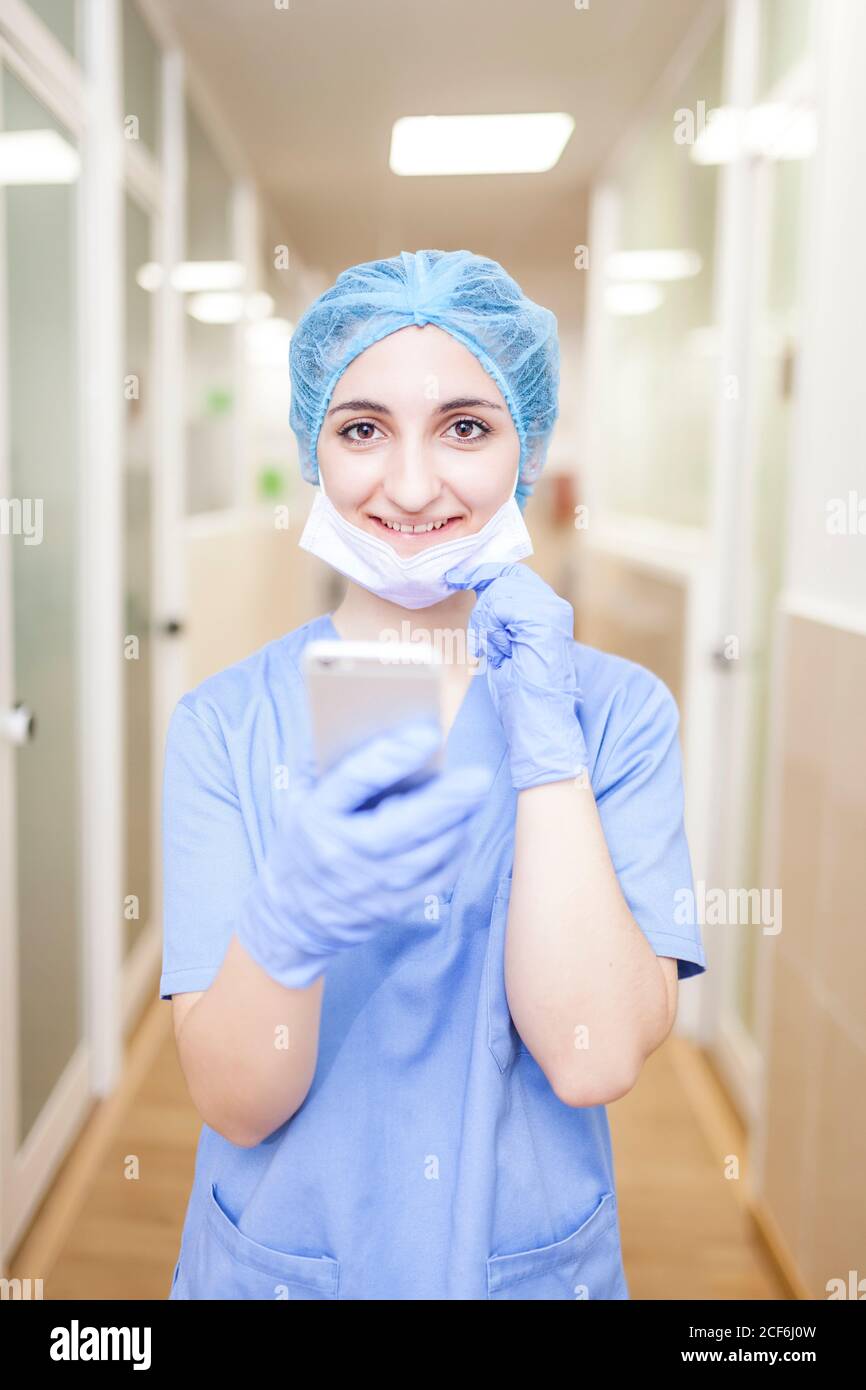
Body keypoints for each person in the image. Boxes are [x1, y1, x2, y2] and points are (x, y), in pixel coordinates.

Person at [160, 248, 707, 1301]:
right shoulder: (224, 724)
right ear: (312, 446)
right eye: (361, 428)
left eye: (464, 426)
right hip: (280, 1268)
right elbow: (234, 1103)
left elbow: (591, 1056)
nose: (410, 485)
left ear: (525, 448)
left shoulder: (617, 715)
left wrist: (544, 741)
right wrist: (284, 930)